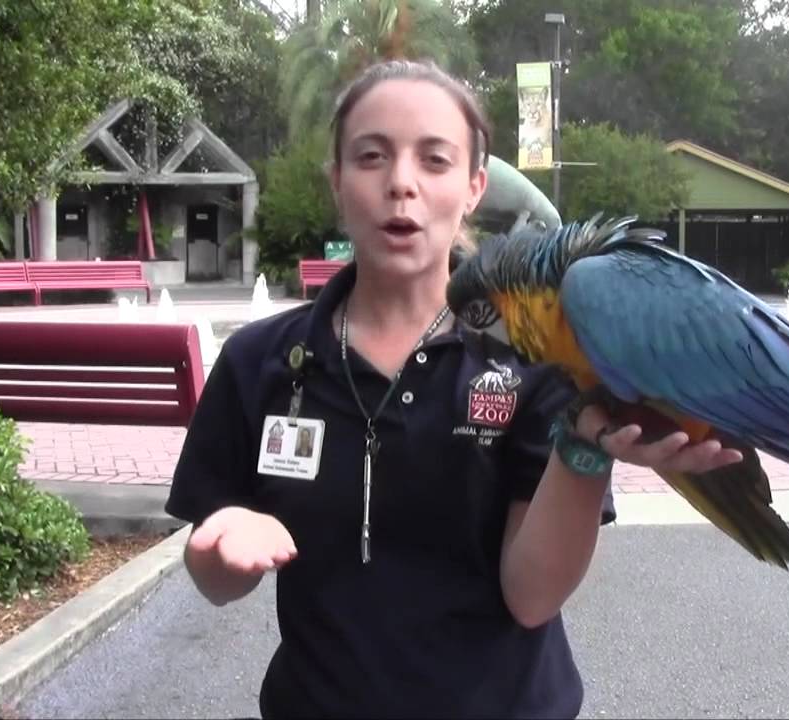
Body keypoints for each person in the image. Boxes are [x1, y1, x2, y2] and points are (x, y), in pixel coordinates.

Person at [164, 58, 743, 719]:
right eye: (371, 157)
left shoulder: (537, 364)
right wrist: (221, 542)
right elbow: (212, 581)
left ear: (472, 187)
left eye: (433, 161)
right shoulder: (261, 361)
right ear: (337, 181)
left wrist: (584, 450)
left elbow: (532, 597)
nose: (401, 184)